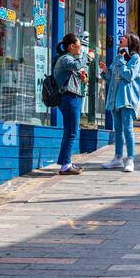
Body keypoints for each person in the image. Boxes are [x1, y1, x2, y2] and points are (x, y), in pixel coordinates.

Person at [103, 34, 140, 172]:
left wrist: (121, 61)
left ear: (131, 41)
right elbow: (111, 78)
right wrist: (105, 72)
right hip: (115, 98)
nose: (121, 39)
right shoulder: (118, 57)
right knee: (118, 130)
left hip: (127, 98)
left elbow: (128, 76)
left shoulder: (135, 58)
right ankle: (117, 158)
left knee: (128, 129)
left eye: (125, 37)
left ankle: (130, 159)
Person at [52, 34, 88, 175]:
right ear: (71, 46)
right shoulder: (66, 58)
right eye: (79, 44)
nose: (81, 48)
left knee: (70, 132)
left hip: (71, 98)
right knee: (72, 132)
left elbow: (75, 71)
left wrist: (82, 78)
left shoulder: (68, 59)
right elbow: (77, 64)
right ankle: (66, 165)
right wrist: (88, 56)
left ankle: (66, 163)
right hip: (69, 99)